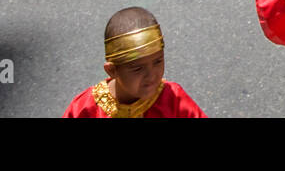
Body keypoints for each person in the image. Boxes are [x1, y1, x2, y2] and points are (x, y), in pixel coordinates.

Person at [62, 7, 206, 117]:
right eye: (138, 69)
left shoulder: (173, 100)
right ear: (112, 71)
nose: (151, 76)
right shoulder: (85, 108)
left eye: (157, 61)